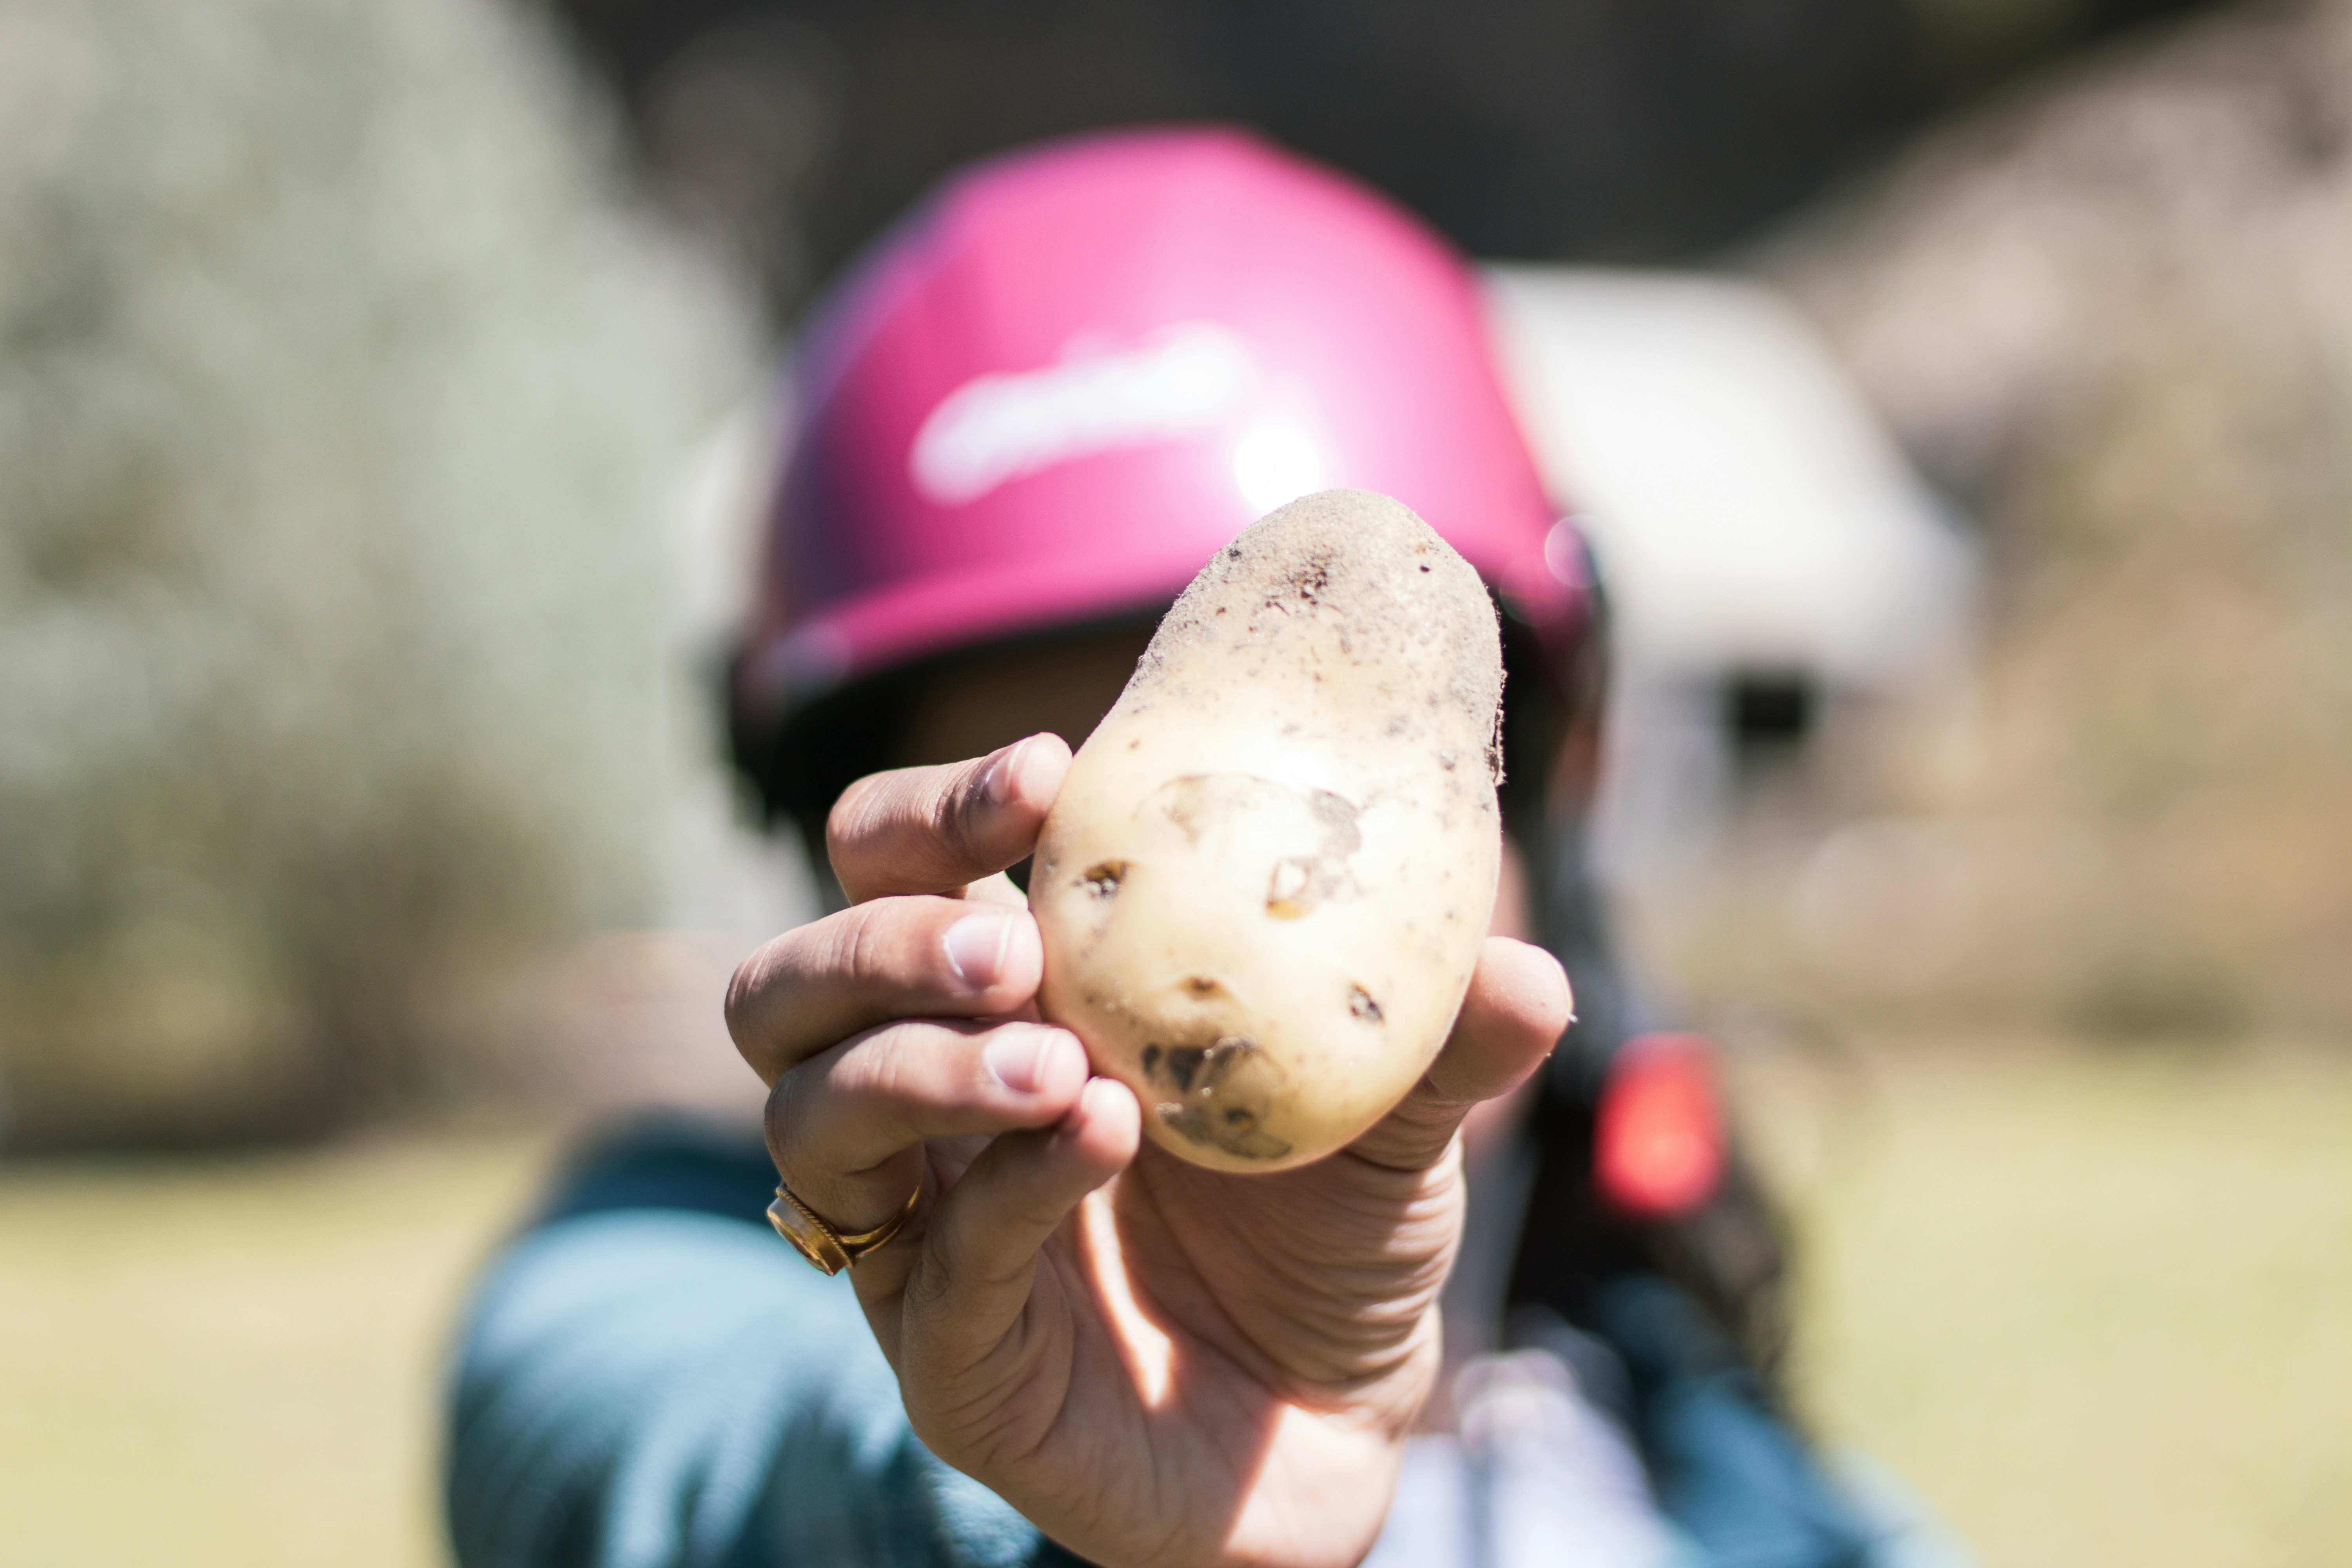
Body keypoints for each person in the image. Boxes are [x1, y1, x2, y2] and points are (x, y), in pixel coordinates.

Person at [445, 126, 1903, 1568]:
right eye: (1065, 867)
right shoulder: (655, 1271)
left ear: (1548, 781)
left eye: (1321, 827)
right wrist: (1004, 1486)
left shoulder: (1735, 1473)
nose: (1209, 956)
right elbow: (618, 1446)